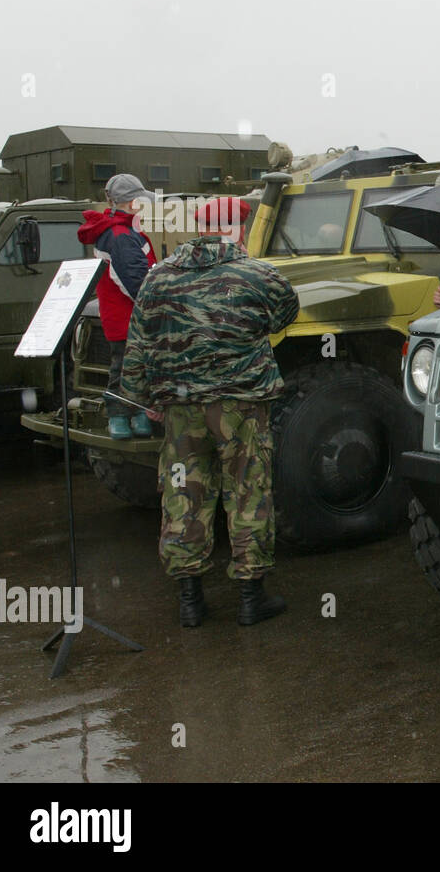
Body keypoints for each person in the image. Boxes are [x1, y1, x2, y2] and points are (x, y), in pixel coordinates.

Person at [120, 196, 299, 628]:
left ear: (196, 228)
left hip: (181, 411)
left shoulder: (158, 277)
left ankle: (189, 600)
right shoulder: (259, 275)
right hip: (241, 408)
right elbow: (284, 316)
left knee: (184, 495)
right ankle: (250, 597)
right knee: (248, 491)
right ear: (238, 228)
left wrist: (143, 397)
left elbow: (138, 345)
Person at [76, 174, 158, 439]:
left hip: (121, 315)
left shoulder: (116, 230)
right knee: (125, 368)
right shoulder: (121, 235)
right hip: (129, 316)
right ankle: (118, 416)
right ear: (132, 201)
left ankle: (135, 414)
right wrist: (156, 306)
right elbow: (135, 281)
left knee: (130, 367)